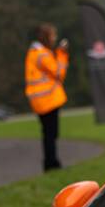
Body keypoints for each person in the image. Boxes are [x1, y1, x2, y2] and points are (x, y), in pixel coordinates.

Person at [25, 24, 69, 171]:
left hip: (39, 100)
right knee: (51, 134)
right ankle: (52, 163)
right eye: (53, 35)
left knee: (47, 133)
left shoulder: (34, 52)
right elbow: (58, 72)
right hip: (47, 99)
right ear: (46, 37)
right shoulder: (42, 54)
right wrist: (62, 53)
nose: (55, 38)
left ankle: (50, 162)